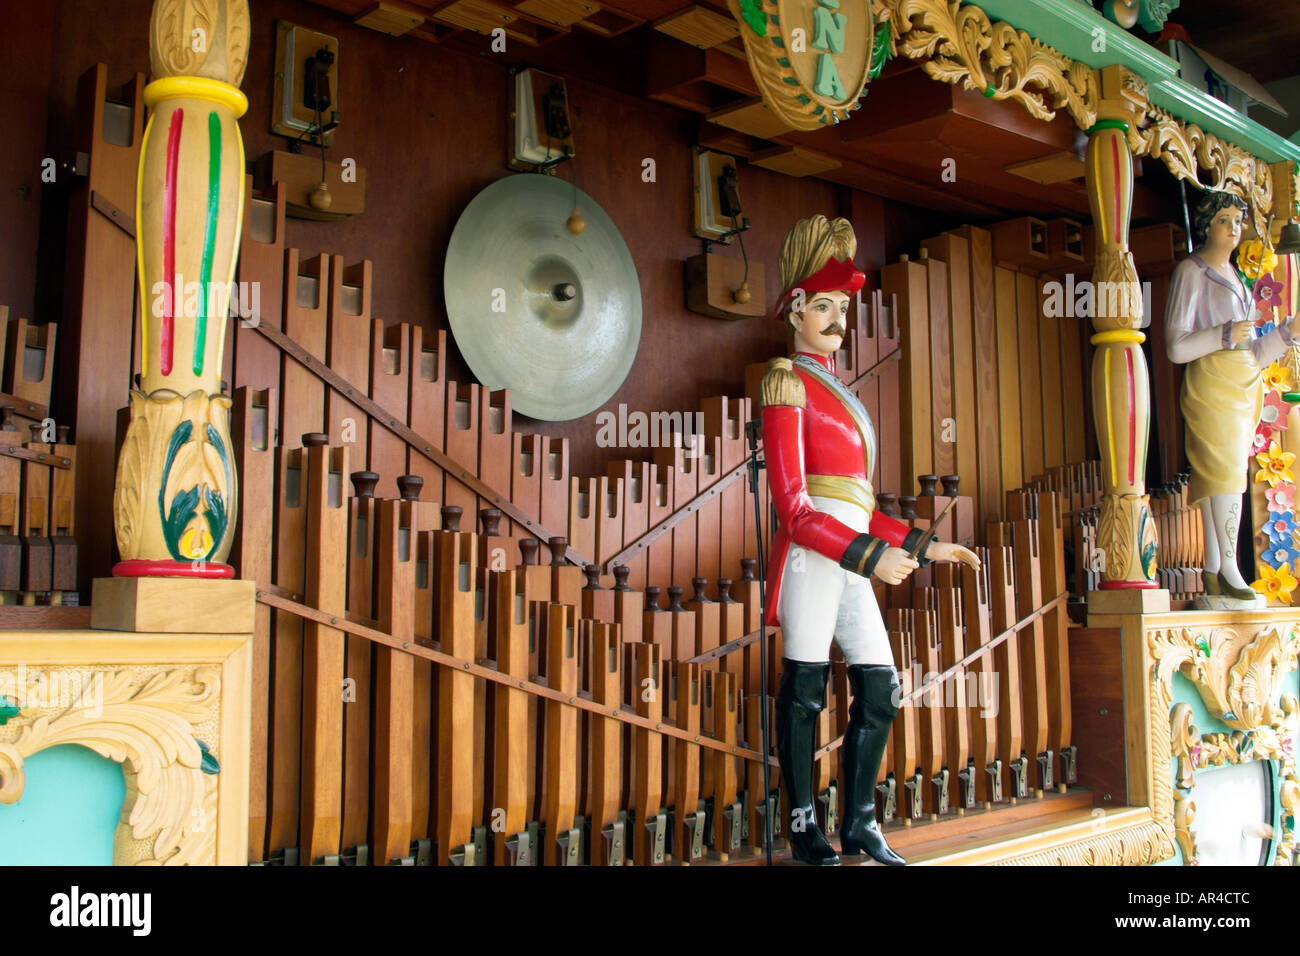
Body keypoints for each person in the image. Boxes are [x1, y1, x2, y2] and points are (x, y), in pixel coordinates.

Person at [760, 216, 980, 866]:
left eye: (842, 307)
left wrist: (921, 545)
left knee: (880, 687)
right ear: (794, 309)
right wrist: (870, 555)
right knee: (804, 692)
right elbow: (796, 509)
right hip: (812, 560)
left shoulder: (838, 392)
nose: (836, 318)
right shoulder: (785, 382)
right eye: (823, 305)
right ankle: (804, 829)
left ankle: (858, 821)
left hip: (851, 556)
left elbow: (857, 503)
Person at [1164, 191, 1297, 601]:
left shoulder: (1238, 278)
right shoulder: (1193, 271)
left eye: (1238, 220)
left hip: (1242, 385)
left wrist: (1287, 333)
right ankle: (1230, 568)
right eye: (1224, 219)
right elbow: (1176, 346)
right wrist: (1223, 335)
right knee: (1223, 473)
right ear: (1205, 225)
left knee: (1228, 471)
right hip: (1213, 385)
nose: (1234, 228)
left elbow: (1253, 353)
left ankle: (1216, 568)